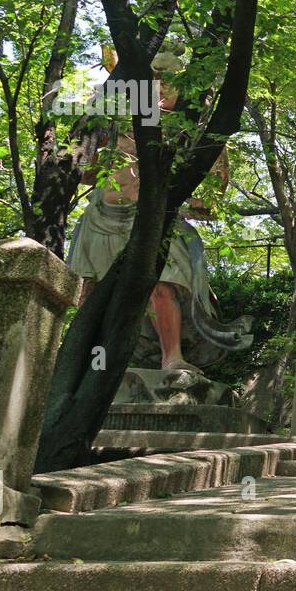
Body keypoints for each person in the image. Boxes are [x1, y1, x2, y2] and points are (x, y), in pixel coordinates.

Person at [66, 41, 251, 372]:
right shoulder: (115, 121)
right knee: (90, 293)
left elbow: (205, 197)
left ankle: (172, 356)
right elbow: (84, 170)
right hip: (101, 218)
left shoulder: (187, 135)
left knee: (162, 285)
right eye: (155, 80)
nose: (162, 89)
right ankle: (81, 362)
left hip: (152, 221)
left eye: (170, 83)